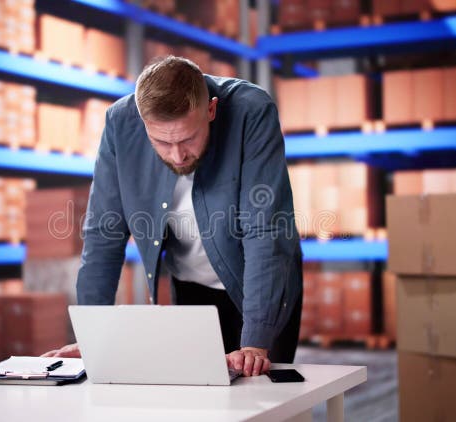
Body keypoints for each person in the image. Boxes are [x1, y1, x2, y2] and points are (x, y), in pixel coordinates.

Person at [43, 56, 303, 377]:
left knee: (262, 395)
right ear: (142, 122)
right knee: (197, 392)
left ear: (211, 110)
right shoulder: (120, 123)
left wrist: (255, 342)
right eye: (162, 142)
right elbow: (103, 233)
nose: (178, 155)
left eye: (188, 138)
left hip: (264, 288)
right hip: (193, 291)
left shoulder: (251, 111)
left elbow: (264, 231)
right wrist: (91, 336)